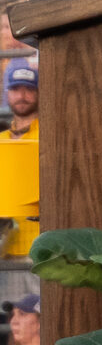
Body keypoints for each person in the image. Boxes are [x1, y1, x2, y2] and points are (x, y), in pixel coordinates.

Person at [0, 60, 37, 260]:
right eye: (15, 89)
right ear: (7, 93)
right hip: (5, 252)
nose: (22, 96)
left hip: (38, 251)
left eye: (28, 89)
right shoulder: (2, 139)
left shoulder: (48, 137)